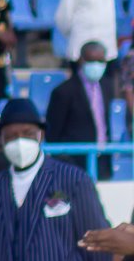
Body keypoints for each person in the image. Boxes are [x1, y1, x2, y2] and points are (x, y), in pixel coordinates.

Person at [47, 41, 118, 180]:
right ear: (81, 60)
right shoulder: (63, 92)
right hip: (73, 163)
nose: (96, 65)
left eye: (100, 61)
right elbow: (53, 132)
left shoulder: (108, 86)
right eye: (92, 60)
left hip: (102, 160)